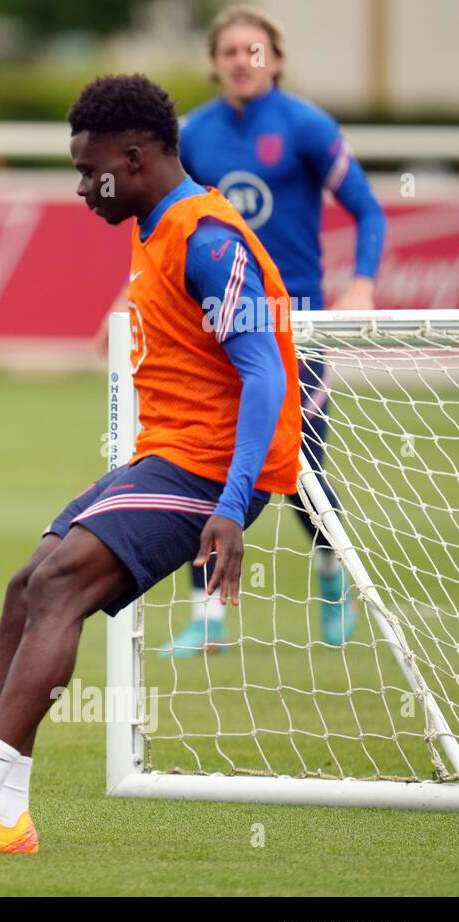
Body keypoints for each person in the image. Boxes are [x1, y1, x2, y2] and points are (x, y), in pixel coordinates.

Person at [0, 74, 300, 855]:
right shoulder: (155, 224)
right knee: (27, 585)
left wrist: (231, 505)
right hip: (166, 456)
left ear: (133, 158)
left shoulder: (209, 237)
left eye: (86, 170)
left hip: (211, 472)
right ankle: (5, 816)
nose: (81, 188)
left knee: (62, 582)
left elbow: (263, 370)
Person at [164, 4, 386, 654]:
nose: (241, 60)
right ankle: (206, 614)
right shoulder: (195, 136)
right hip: (219, 321)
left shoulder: (307, 127)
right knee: (197, 457)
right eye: (229, 51)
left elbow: (368, 210)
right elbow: (172, 224)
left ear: (276, 60)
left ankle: (329, 570)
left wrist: (364, 282)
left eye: (253, 50)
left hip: (297, 323)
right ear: (214, 62)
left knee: (300, 469)